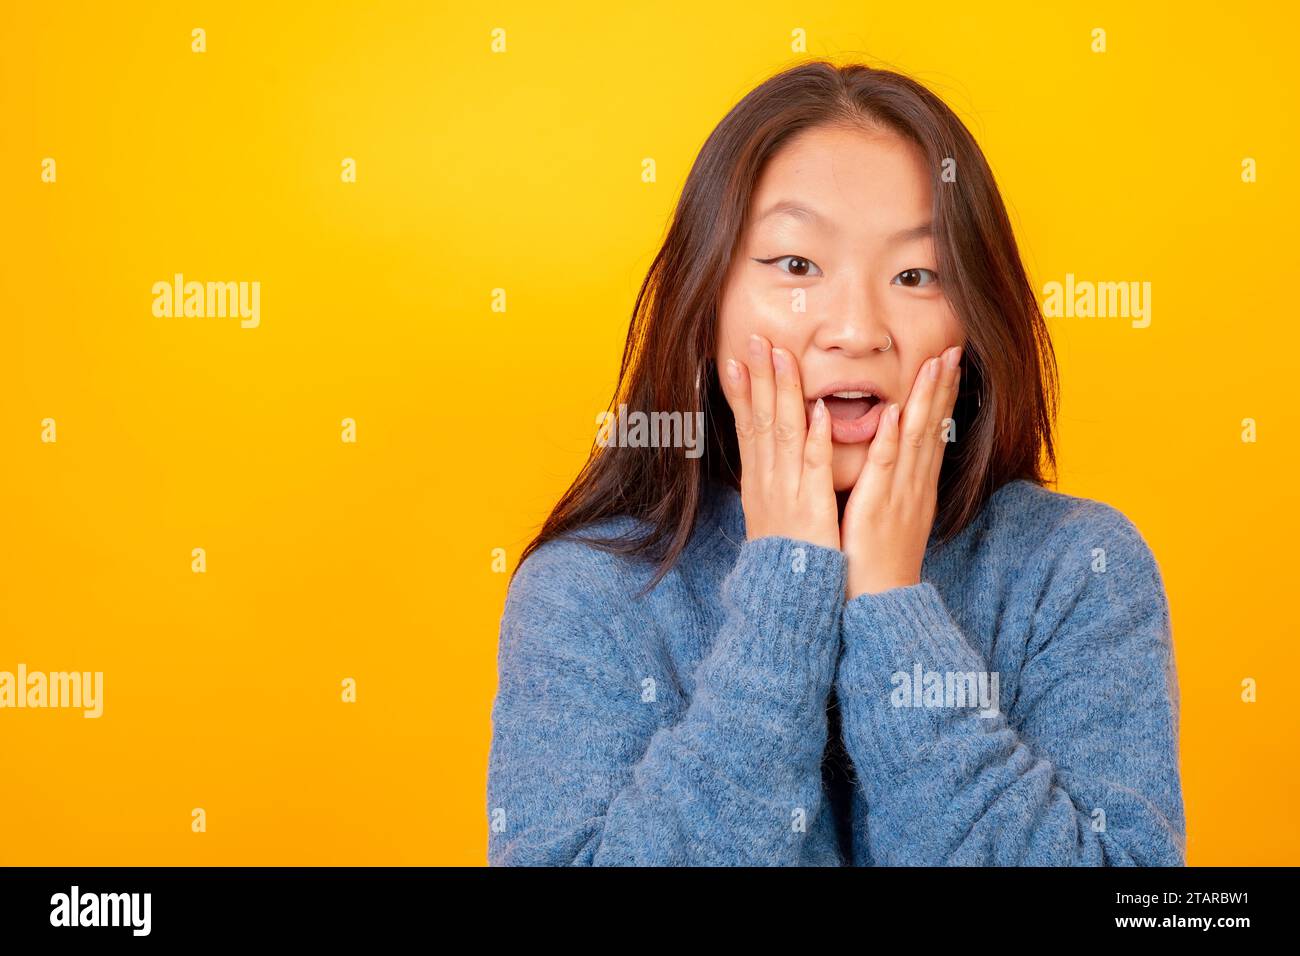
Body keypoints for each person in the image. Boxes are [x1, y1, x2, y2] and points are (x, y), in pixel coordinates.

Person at [485, 60, 1185, 866]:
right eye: (796, 266)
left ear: (975, 321)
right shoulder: (586, 593)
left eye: (916, 275)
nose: (856, 330)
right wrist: (783, 600)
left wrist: (894, 612)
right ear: (705, 302)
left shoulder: (1079, 570)